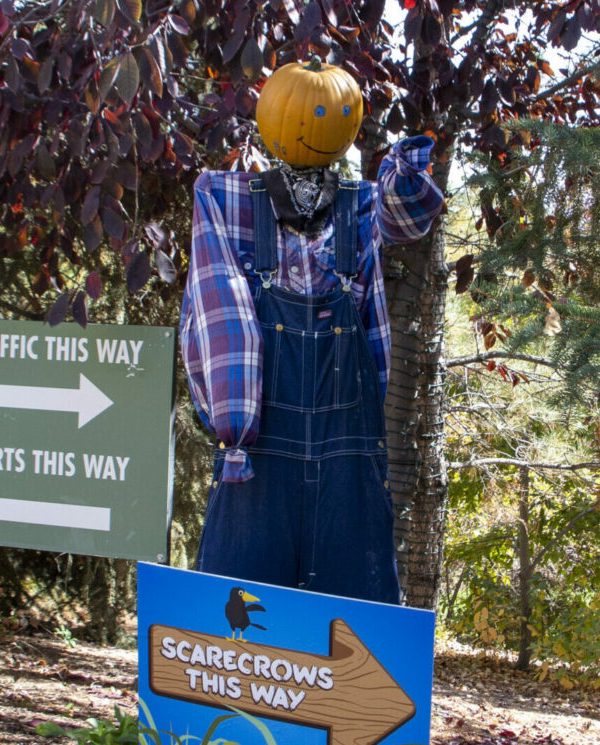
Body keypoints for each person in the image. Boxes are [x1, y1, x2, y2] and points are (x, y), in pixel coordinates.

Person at [179, 59, 443, 604]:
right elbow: (218, 305)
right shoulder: (225, 201)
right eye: (306, 111)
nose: (315, 120)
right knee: (242, 621)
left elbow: (408, 218)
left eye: (332, 112)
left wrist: (402, 169)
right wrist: (234, 421)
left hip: (349, 457)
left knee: (353, 622)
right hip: (256, 449)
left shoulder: (361, 206)